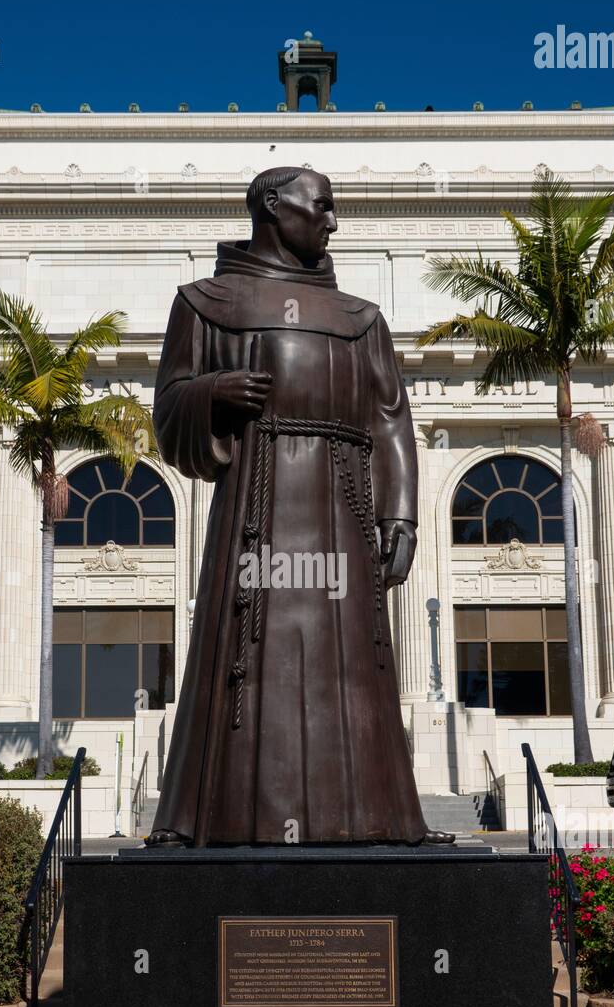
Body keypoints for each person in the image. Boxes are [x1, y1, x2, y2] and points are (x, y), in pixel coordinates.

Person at [146, 166, 454, 847]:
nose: (334, 221)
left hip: (343, 504)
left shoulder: (361, 320)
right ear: (271, 204)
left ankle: (382, 820)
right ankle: (203, 819)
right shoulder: (204, 304)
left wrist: (399, 513)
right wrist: (215, 391)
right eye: (323, 206)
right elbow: (168, 412)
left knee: (357, 667)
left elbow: (391, 420)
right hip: (253, 511)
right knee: (245, 660)